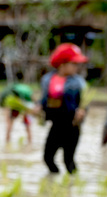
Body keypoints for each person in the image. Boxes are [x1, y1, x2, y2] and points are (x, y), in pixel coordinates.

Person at [35, 43, 88, 174]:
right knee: (48, 158)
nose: (77, 67)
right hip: (56, 126)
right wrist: (38, 107)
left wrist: (82, 112)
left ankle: (72, 186)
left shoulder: (79, 83)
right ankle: (54, 183)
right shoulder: (47, 80)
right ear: (62, 64)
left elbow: (84, 104)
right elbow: (43, 100)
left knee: (68, 161)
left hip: (72, 127)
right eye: (74, 63)